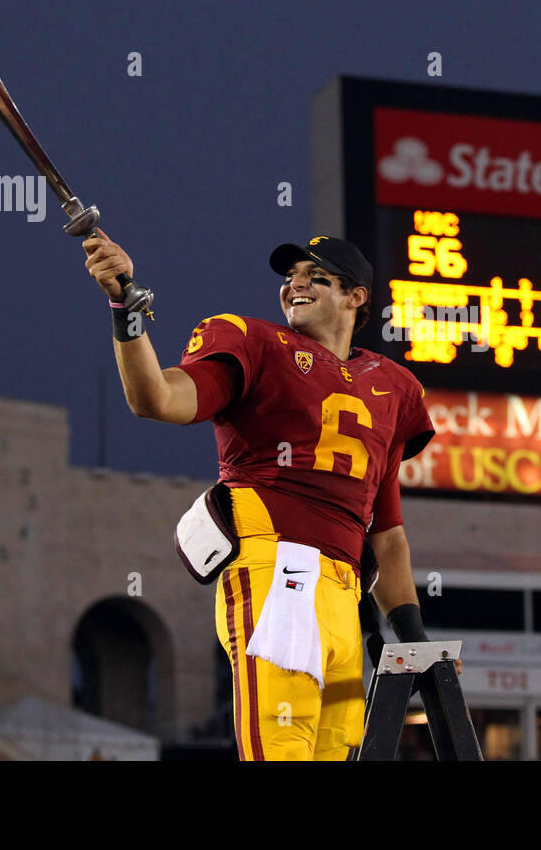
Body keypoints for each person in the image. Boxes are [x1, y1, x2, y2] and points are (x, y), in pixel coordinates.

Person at [84, 232, 437, 761]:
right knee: (282, 750)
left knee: (337, 752)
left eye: (315, 276)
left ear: (356, 295)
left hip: (346, 595)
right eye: (289, 277)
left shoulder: (394, 386)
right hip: (280, 571)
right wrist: (124, 310)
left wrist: (410, 631)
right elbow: (157, 398)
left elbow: (385, 531)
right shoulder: (254, 342)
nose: (294, 285)